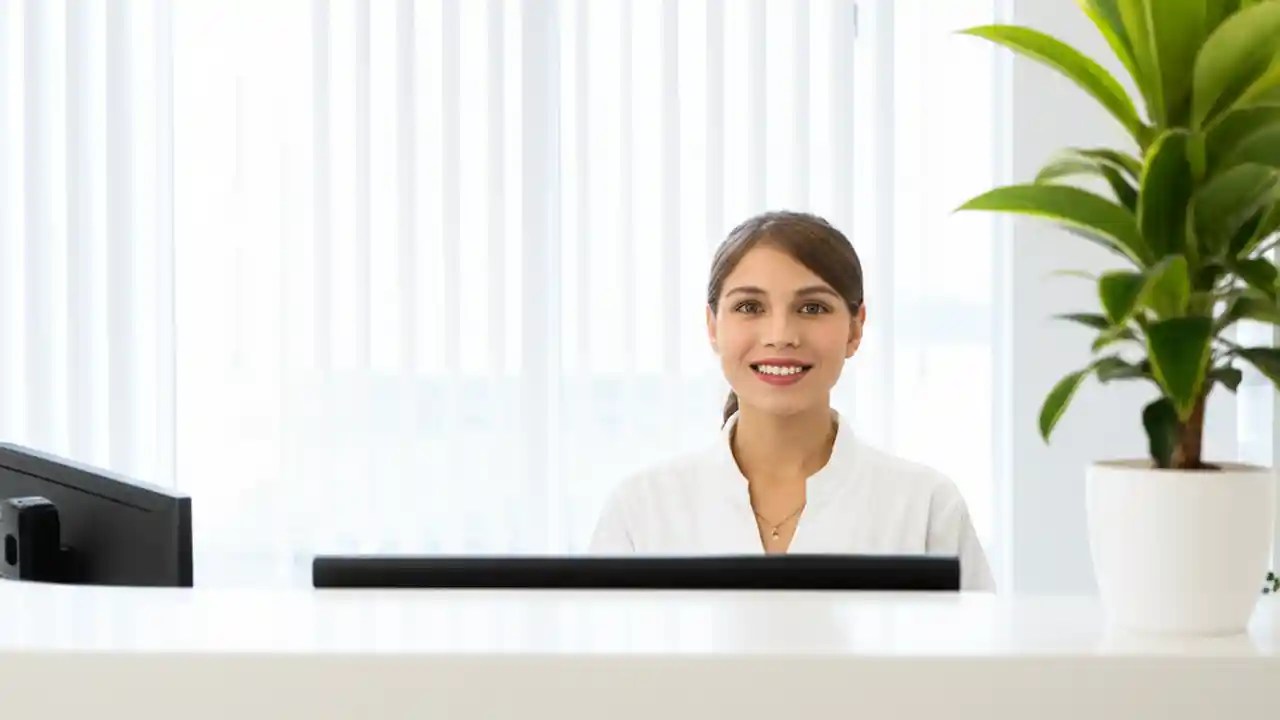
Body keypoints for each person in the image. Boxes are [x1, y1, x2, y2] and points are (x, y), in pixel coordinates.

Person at [589, 210, 995, 591]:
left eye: (812, 307)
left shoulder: (925, 506)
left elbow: (981, 662)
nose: (781, 334)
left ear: (855, 329)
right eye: (750, 307)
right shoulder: (641, 510)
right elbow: (598, 662)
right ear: (713, 326)